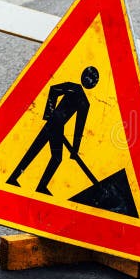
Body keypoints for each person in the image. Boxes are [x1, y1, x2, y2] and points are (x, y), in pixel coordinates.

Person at [6, 66, 99, 195]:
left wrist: (75, 149)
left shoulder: (83, 101)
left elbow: (79, 127)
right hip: (54, 124)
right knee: (47, 155)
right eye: (89, 78)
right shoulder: (75, 89)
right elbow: (54, 89)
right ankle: (35, 185)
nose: (89, 81)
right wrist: (49, 114)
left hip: (57, 126)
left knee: (38, 152)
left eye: (92, 79)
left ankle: (16, 179)